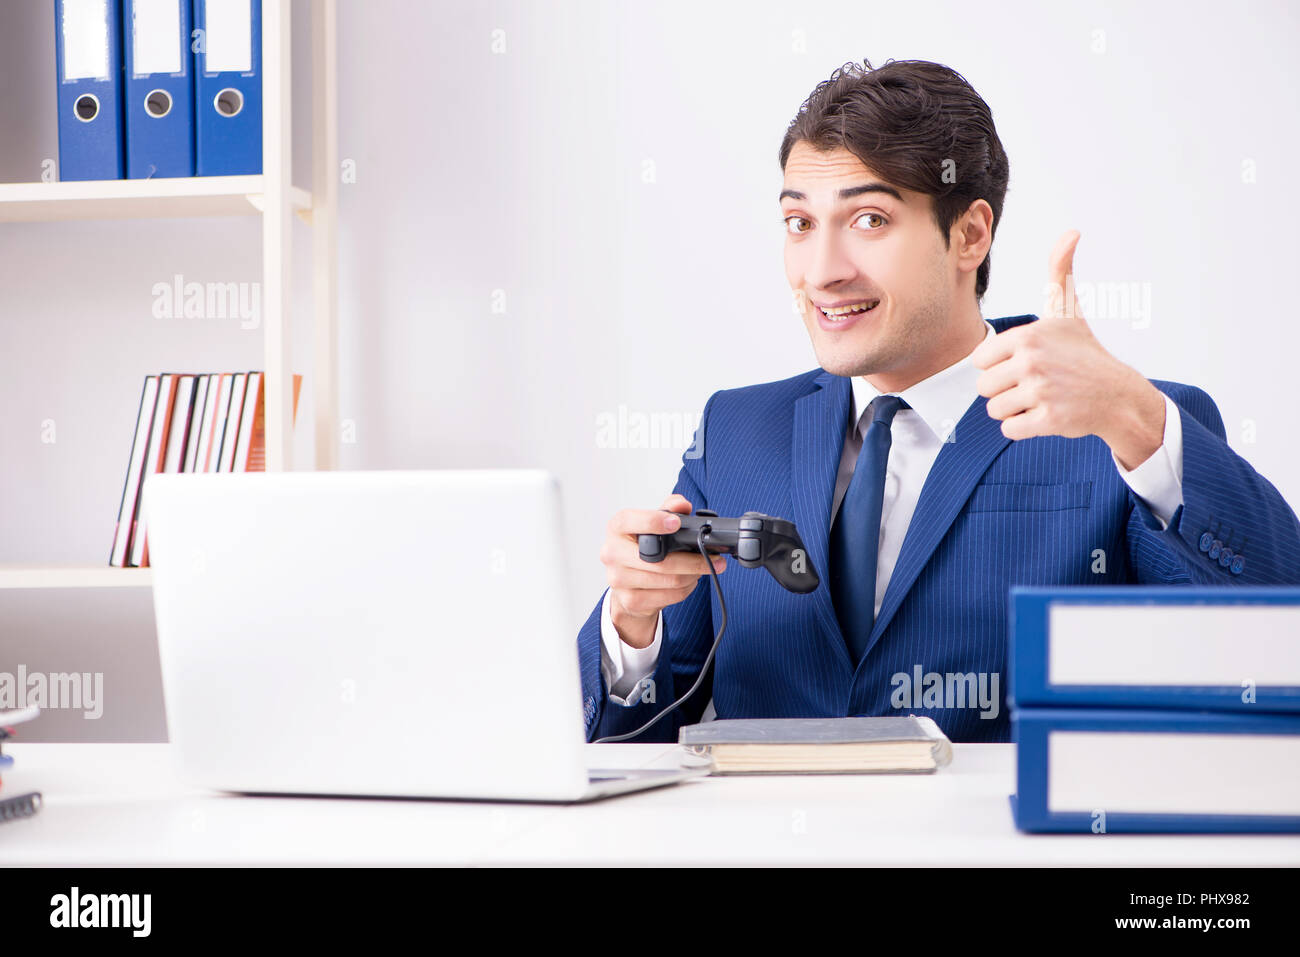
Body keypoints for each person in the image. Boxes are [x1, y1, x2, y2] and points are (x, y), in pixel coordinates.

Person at [576, 58, 1300, 744]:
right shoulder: (736, 432)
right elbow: (631, 739)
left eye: (869, 221)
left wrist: (1135, 418)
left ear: (971, 235)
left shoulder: (1115, 426)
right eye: (800, 224)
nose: (822, 272)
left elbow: (1274, 653)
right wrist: (632, 624)